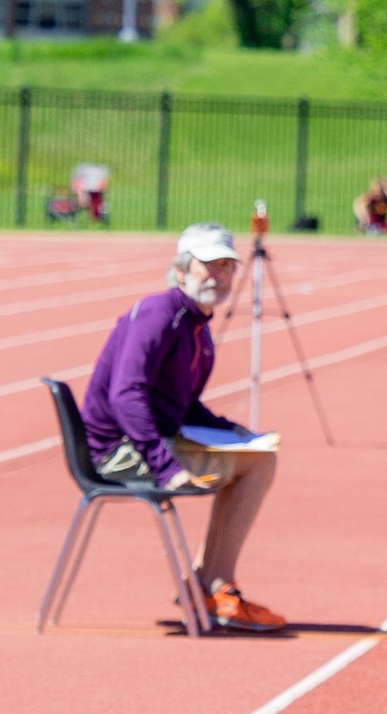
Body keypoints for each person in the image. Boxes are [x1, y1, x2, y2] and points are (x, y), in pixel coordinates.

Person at [80, 223, 285, 632]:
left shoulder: (193, 321)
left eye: (227, 266)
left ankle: (209, 587)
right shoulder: (160, 314)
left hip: (149, 440)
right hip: (120, 451)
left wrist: (235, 431)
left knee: (257, 454)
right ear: (180, 270)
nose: (220, 275)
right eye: (208, 266)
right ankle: (214, 588)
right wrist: (165, 468)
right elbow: (126, 394)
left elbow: (181, 404)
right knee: (259, 466)